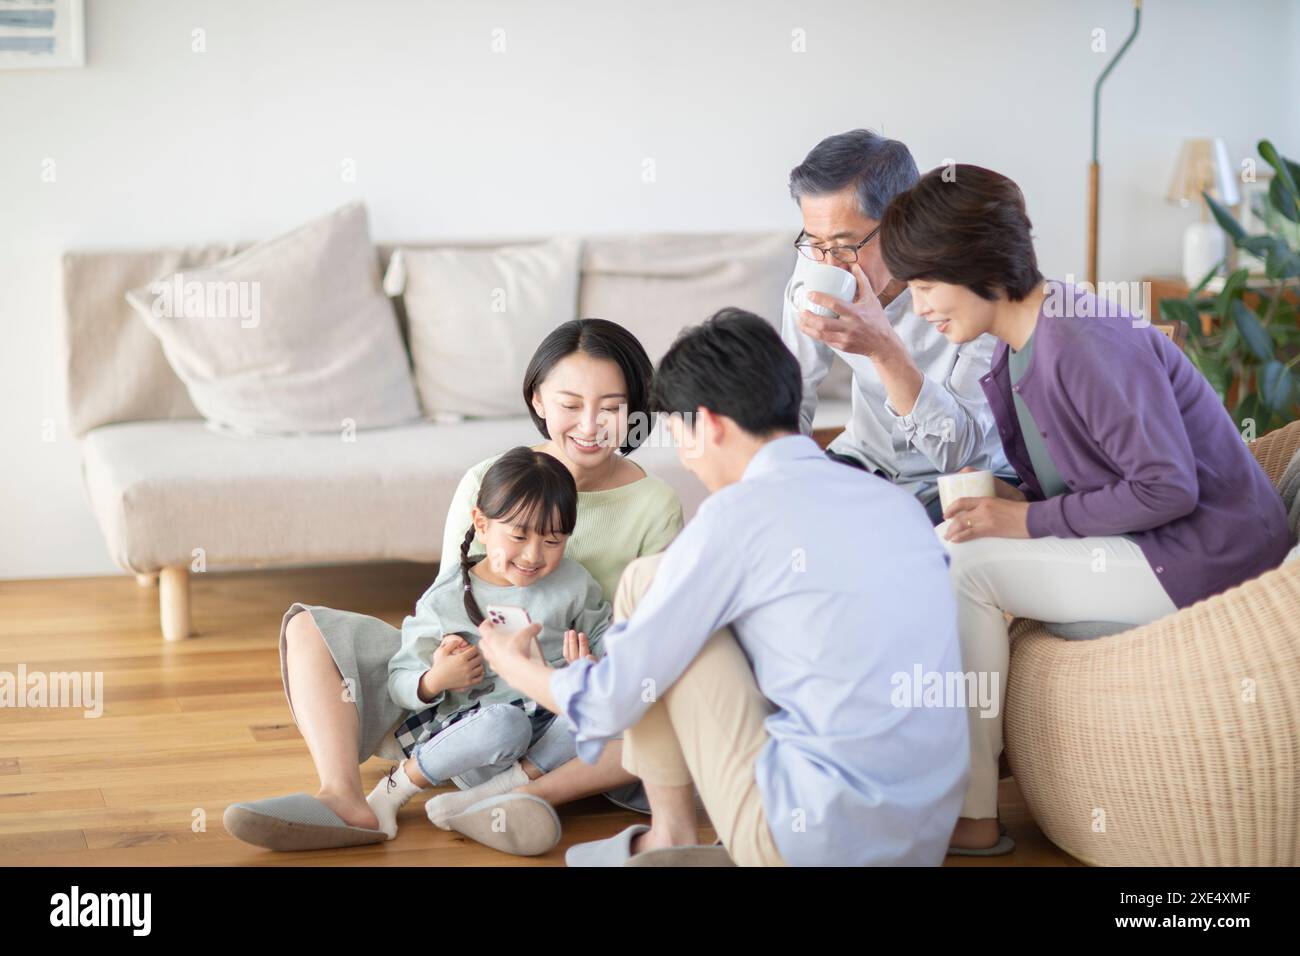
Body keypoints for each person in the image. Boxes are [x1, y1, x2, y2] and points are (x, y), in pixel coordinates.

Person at [879, 162, 1293, 854]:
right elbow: (1091, 482)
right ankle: (951, 785)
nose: (918, 308)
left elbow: (1167, 487)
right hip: (1158, 550)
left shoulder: (1081, 337)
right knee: (956, 551)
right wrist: (1014, 499)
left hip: (1210, 561)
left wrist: (1025, 522)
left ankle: (972, 810)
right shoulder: (1019, 350)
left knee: (967, 571)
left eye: (924, 286)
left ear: (973, 261)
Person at [472, 308, 970, 866]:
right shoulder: (895, 503)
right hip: (926, 838)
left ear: (706, 424)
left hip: (809, 843)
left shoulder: (734, 518)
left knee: (648, 585)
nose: (687, 461)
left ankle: (669, 837)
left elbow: (611, 702)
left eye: (680, 436)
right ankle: (671, 838)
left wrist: (517, 667)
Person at [223, 319, 683, 851]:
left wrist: (586, 673)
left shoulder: (655, 506)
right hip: (470, 696)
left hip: (574, 716)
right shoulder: (487, 479)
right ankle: (346, 799)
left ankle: (520, 797)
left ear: (635, 409)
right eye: (570, 403)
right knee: (308, 628)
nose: (590, 424)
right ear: (538, 400)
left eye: (611, 406)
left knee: (675, 692)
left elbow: (644, 640)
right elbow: (450, 599)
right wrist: (439, 672)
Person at [363, 447, 611, 844]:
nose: (533, 555)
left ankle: (502, 792)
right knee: (505, 723)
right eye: (518, 536)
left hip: (549, 747)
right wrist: (436, 679)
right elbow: (400, 680)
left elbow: (606, 637)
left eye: (553, 540)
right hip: (477, 744)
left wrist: (593, 665)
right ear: (481, 523)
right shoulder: (445, 598)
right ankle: (395, 789)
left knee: (596, 706)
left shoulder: (574, 582)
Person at [781, 129, 1011, 523]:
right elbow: (793, 390)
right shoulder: (816, 266)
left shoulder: (972, 288)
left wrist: (882, 348)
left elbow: (956, 449)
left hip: (960, 476)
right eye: (815, 242)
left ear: (900, 224)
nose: (829, 264)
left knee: (901, 540)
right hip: (866, 460)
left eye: (845, 245)